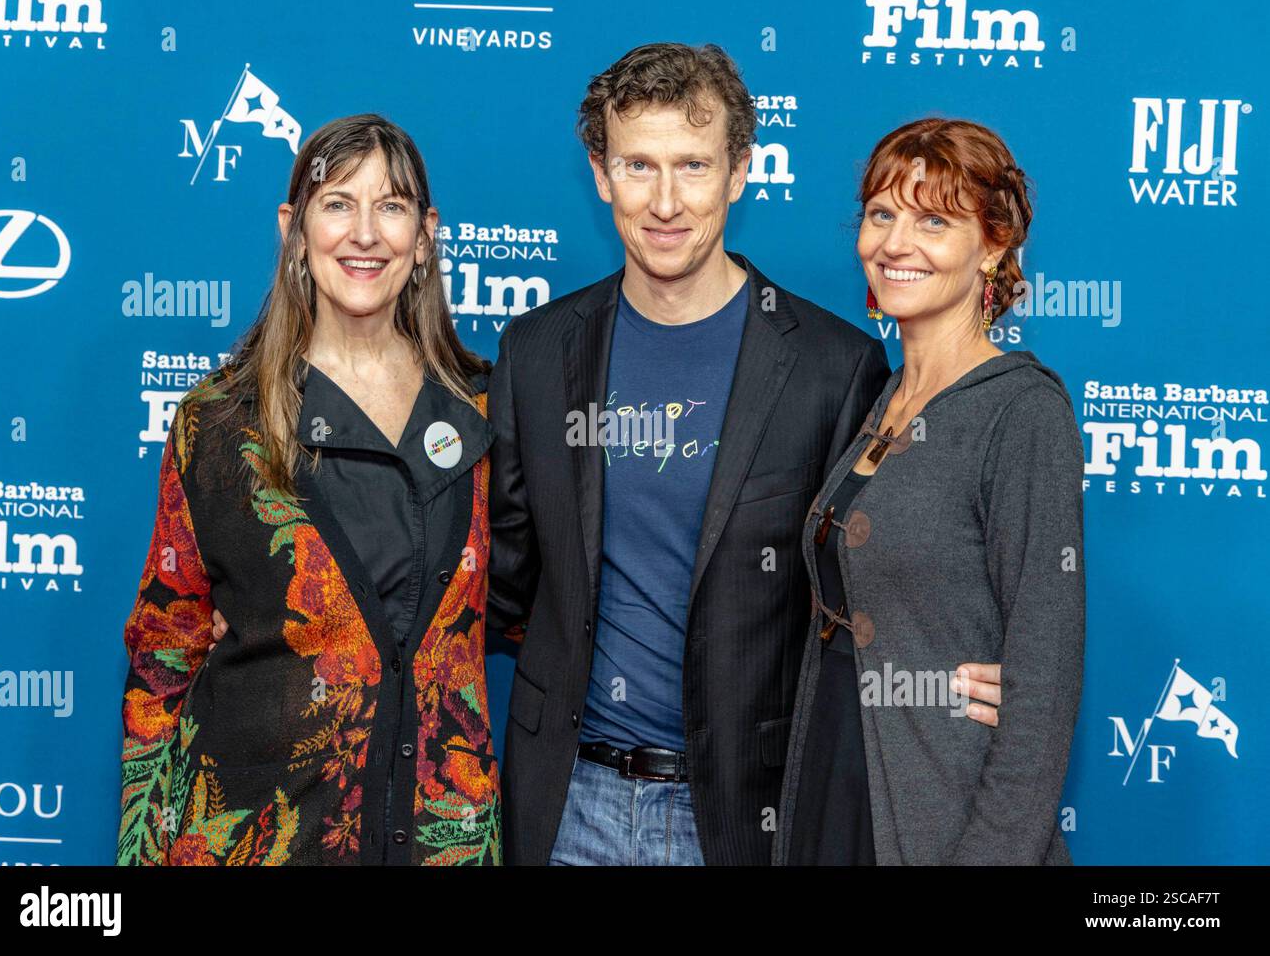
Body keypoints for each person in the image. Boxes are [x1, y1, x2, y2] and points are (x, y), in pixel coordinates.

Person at [486, 44, 1003, 866]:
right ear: (600, 173)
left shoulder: (834, 369)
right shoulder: (538, 352)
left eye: (693, 165)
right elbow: (496, 572)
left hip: (739, 812)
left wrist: (949, 672)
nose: (664, 201)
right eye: (638, 165)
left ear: (739, 171)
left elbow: (862, 578)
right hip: (565, 805)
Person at [117, 114, 503, 866]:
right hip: (258, 838)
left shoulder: (487, 411)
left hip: (438, 837)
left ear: (425, 236)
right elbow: (164, 646)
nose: (365, 232)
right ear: (294, 228)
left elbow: (539, 597)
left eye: (391, 206)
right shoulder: (220, 422)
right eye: (338, 203)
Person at [774, 118, 1085, 866]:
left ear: (995, 245)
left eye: (934, 221)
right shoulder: (881, 398)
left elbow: (1042, 681)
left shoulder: (1022, 411)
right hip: (836, 778)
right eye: (882, 214)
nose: (895, 243)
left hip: (943, 805)